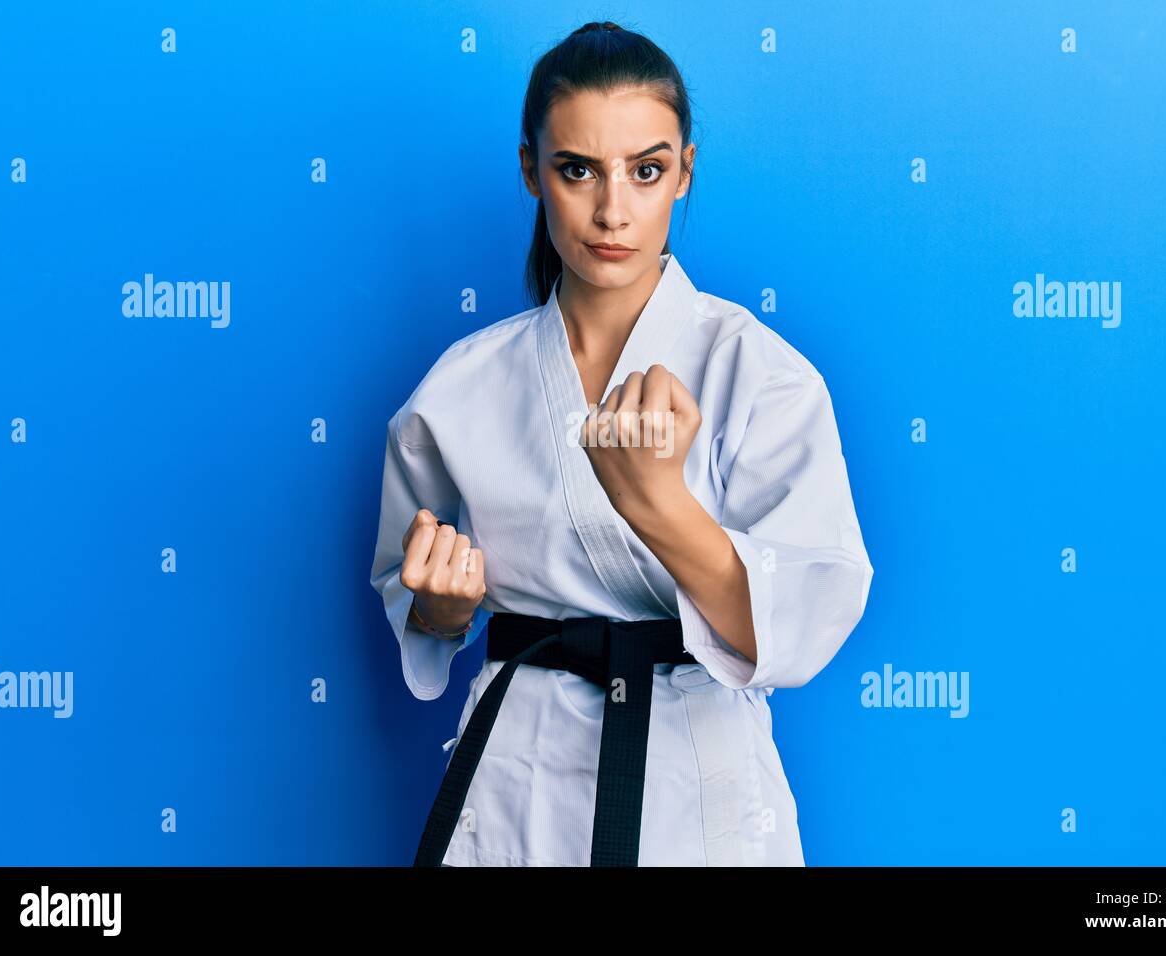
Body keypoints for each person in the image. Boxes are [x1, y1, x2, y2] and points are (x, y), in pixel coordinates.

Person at [369, 20, 874, 866]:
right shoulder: (459, 388)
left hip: (697, 783)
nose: (613, 210)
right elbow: (412, 599)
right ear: (531, 170)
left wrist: (660, 505)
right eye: (577, 170)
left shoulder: (761, 375)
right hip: (520, 777)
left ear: (684, 171)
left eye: (646, 170)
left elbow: (802, 625)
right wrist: (441, 607)